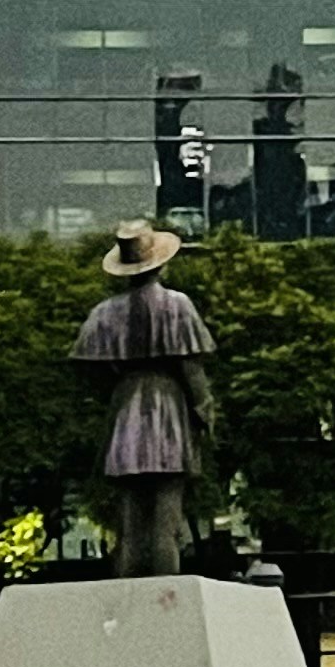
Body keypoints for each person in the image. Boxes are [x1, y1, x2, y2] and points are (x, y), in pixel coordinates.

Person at [71, 222, 217, 576]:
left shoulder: (105, 313)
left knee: (131, 521)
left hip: (125, 410)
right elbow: (191, 369)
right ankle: (166, 595)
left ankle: (131, 595)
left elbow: (86, 370)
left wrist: (117, 389)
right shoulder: (177, 306)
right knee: (166, 520)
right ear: (160, 263)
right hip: (168, 408)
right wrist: (204, 411)